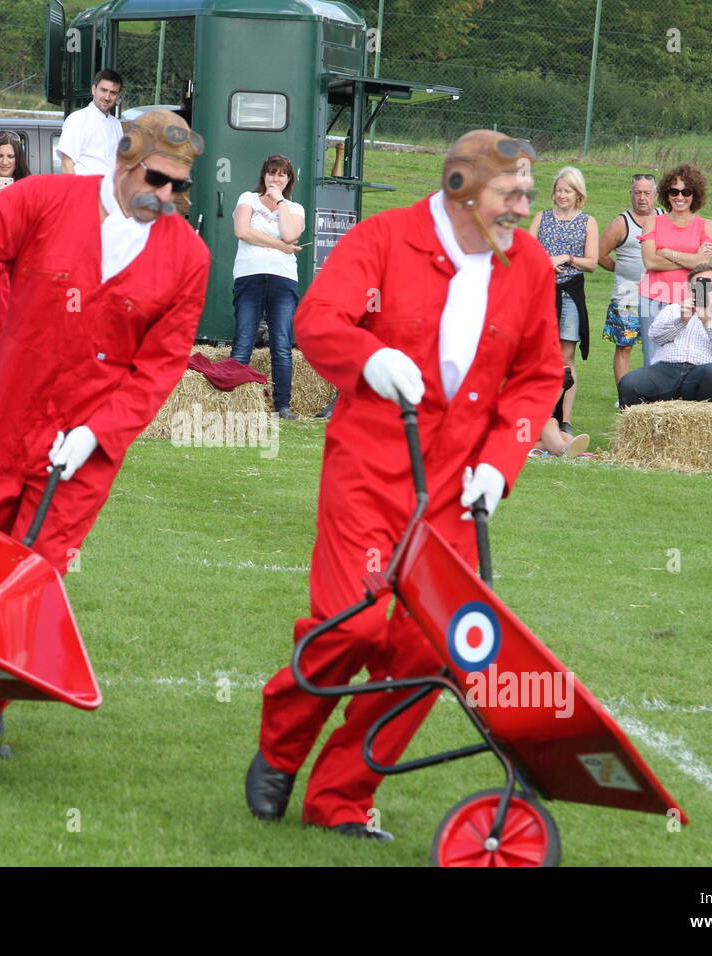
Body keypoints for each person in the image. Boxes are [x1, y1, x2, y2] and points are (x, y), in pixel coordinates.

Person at [245, 130, 561, 842]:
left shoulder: (531, 266)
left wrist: (500, 462)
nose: (523, 207)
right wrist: (370, 354)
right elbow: (320, 322)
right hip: (369, 470)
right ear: (461, 189)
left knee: (428, 654)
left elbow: (540, 374)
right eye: (510, 194)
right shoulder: (382, 240)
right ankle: (281, 747)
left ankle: (342, 798)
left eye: (527, 194)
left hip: (456, 488)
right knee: (351, 624)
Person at [0, 110, 209, 758]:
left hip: (83, 447)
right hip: (5, 413)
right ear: (123, 163)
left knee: (34, 574)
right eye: (158, 178)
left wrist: (101, 430)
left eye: (181, 185)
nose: (168, 196)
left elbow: (160, 365)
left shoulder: (187, 257)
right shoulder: (45, 201)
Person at [230, 154, 305, 419]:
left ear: (288, 180)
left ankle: (282, 405)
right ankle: (235, 401)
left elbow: (290, 235)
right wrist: (279, 247)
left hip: (283, 279)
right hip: (249, 274)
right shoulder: (247, 199)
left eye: (281, 174)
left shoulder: (295, 208)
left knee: (282, 344)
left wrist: (280, 201)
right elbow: (242, 231)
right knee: (243, 340)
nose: (275, 178)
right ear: (263, 175)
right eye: (271, 173)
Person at [617, 264, 712, 407]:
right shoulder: (674, 309)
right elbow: (654, 336)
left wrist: (708, 323)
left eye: (708, 287)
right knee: (629, 382)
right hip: (666, 369)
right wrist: (681, 321)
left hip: (703, 373)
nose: (702, 292)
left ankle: (704, 428)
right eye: (696, 288)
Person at [529, 166, 597, 435]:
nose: (562, 195)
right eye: (558, 190)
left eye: (567, 190)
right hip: (540, 294)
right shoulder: (541, 218)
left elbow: (592, 262)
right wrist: (543, 262)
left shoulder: (587, 221)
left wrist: (566, 258)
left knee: (566, 356)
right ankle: (541, 414)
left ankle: (565, 418)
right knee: (540, 354)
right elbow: (523, 253)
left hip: (569, 293)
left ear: (577, 193)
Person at [638, 165, 712, 366]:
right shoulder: (652, 223)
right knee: (653, 358)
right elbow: (650, 261)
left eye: (686, 192)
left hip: (694, 297)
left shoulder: (706, 224)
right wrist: (691, 259)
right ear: (667, 194)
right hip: (654, 295)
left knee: (691, 357)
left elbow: (703, 264)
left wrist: (667, 253)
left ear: (694, 194)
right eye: (674, 191)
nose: (680, 197)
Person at [599, 173, 659, 384]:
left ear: (655, 195)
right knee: (625, 345)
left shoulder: (664, 218)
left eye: (647, 193)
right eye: (637, 193)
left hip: (658, 295)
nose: (642, 198)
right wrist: (621, 269)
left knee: (657, 346)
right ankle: (625, 395)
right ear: (631, 195)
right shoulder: (621, 222)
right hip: (627, 296)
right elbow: (599, 254)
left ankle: (655, 394)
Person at [56, 69, 123, 176]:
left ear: (117, 96)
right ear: (93, 90)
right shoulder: (77, 120)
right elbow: (66, 165)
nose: (107, 97)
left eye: (113, 93)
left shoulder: (116, 124)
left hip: (109, 190)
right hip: (83, 190)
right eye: (104, 90)